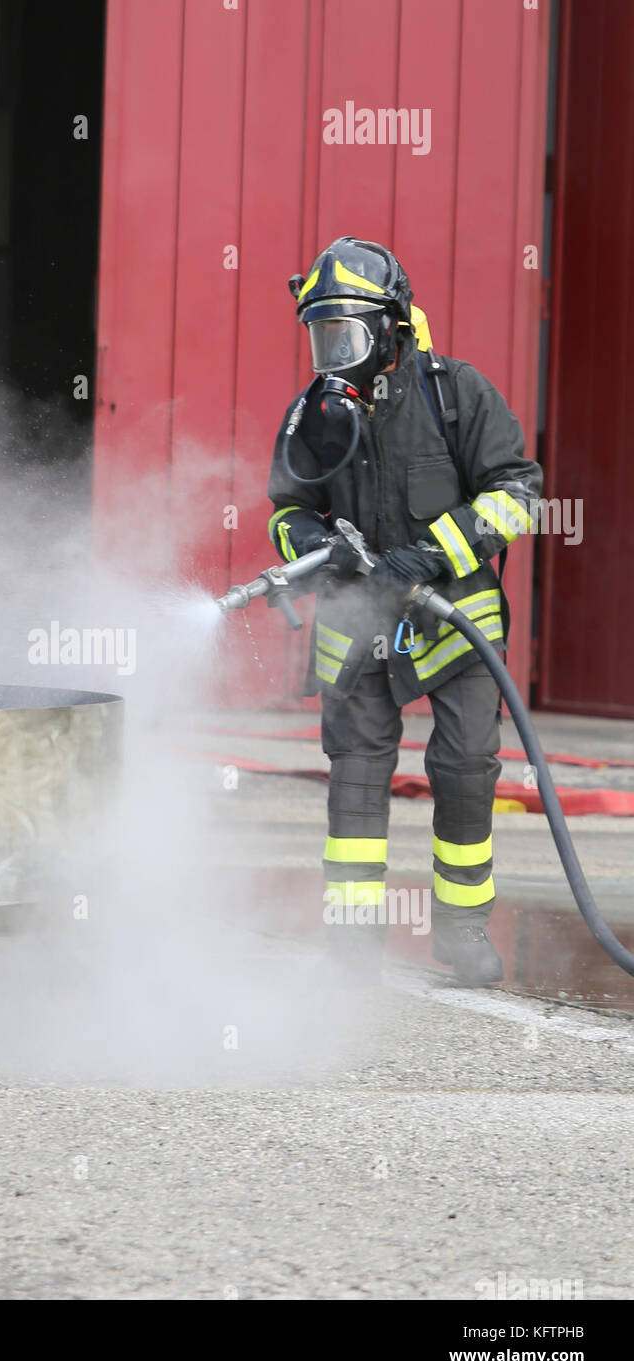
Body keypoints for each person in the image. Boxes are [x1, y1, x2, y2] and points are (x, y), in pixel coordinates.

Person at [267, 237, 543, 985]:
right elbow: (287, 512)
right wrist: (322, 547)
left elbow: (517, 494)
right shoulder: (314, 414)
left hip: (454, 624)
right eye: (323, 337)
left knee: (463, 769)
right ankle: (353, 940)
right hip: (357, 629)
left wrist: (431, 556)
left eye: (347, 336)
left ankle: (459, 931)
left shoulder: (455, 395)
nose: (335, 356)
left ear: (389, 327)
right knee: (355, 777)